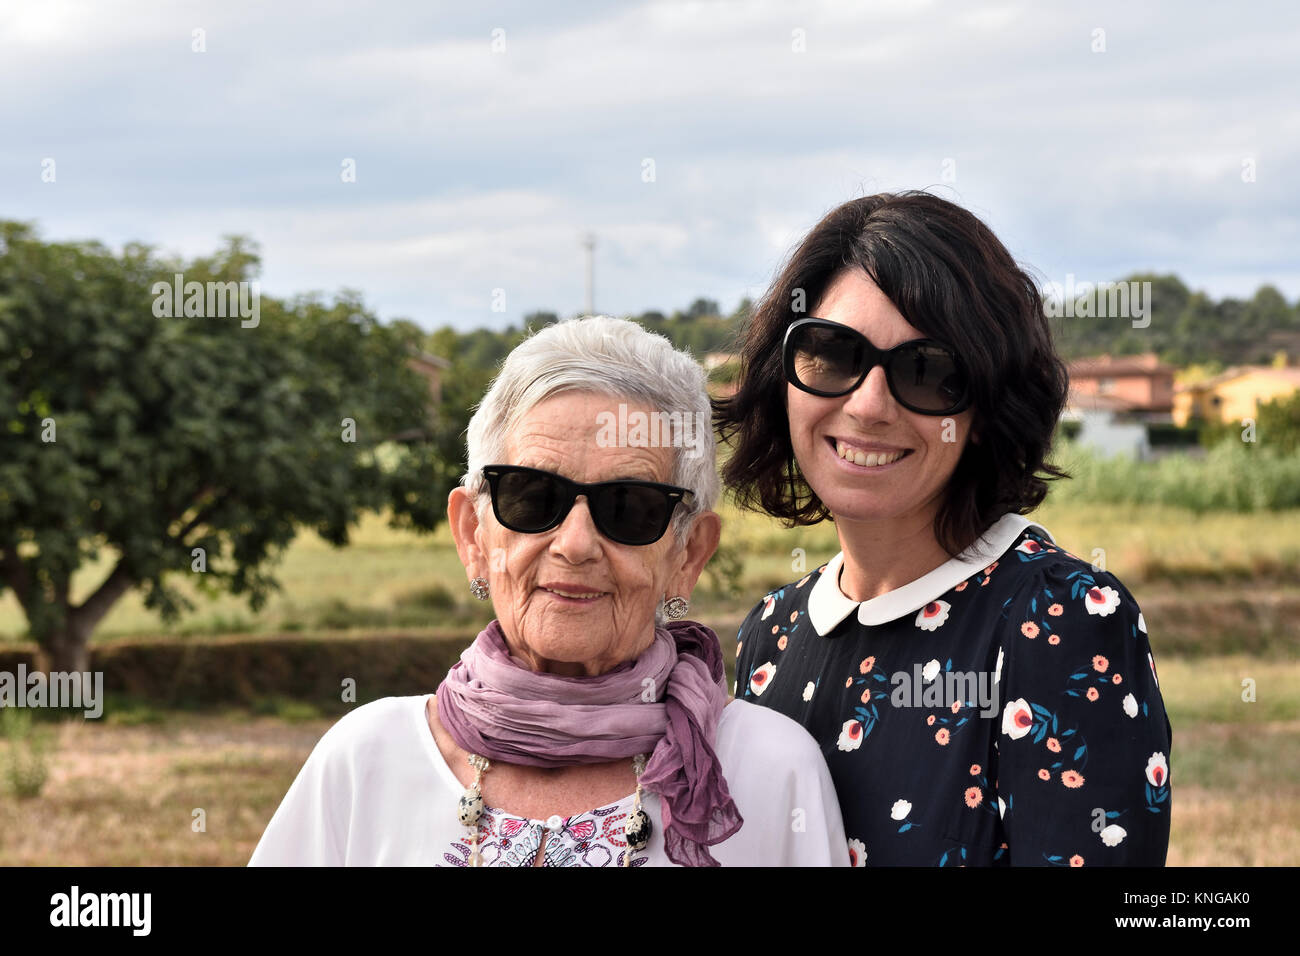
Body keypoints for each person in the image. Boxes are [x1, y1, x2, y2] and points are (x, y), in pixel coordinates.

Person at [249, 315, 847, 867]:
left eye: (629, 507)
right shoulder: (364, 761)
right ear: (472, 536)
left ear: (688, 555)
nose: (576, 544)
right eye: (533, 498)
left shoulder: (770, 772)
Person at [716, 191, 1172, 867]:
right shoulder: (773, 633)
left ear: (986, 408)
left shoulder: (1060, 620)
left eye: (927, 372)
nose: (868, 405)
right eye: (832, 355)